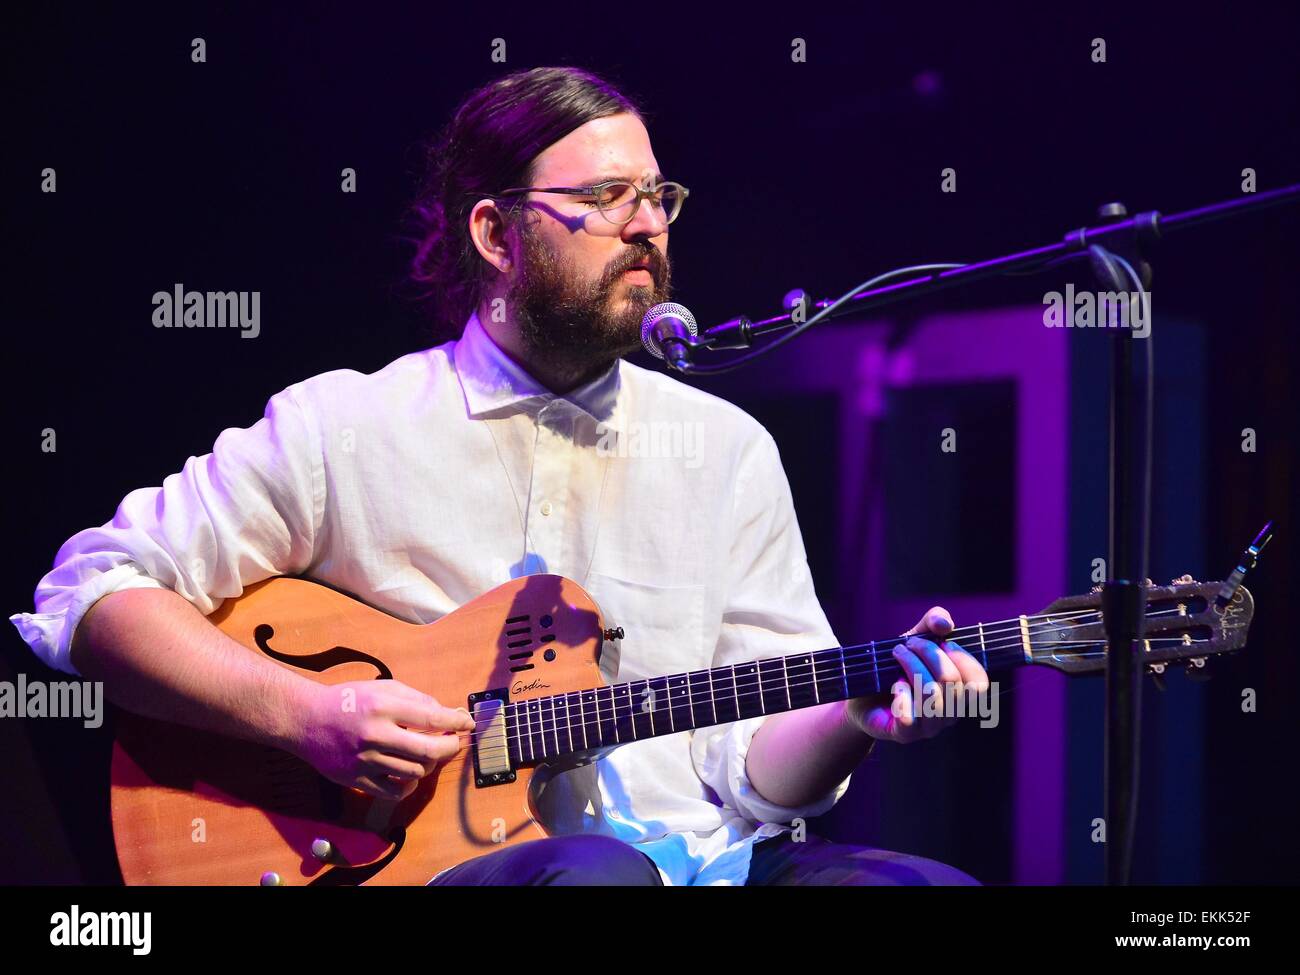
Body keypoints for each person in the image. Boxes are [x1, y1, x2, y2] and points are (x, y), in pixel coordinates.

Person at [11, 66, 985, 886]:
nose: (645, 224)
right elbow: (89, 594)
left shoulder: (728, 449)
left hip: (701, 861)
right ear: (494, 234)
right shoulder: (346, 427)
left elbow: (753, 773)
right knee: (599, 874)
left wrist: (857, 714)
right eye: (606, 198)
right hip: (429, 867)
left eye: (657, 196)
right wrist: (308, 714)